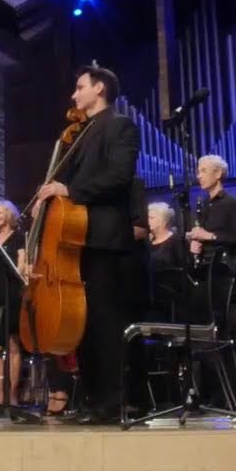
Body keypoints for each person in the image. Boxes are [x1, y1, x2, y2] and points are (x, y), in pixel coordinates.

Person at [34, 65, 140, 424]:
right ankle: (93, 401)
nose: (73, 94)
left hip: (105, 239)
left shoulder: (120, 125)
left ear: (99, 88)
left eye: (79, 87)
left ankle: (111, 403)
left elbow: (118, 176)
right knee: (85, 323)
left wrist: (70, 190)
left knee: (104, 322)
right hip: (79, 239)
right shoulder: (80, 133)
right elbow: (64, 181)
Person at [186, 155, 236, 277]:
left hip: (228, 268)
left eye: (203, 171)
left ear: (218, 174)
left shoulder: (234, 203)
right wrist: (194, 243)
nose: (199, 176)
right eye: (198, 172)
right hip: (207, 267)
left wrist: (209, 235)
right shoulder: (203, 205)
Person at [0, 200, 25, 408]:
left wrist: (18, 272)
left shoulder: (18, 237)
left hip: (12, 294)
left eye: (0, 212)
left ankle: (12, 393)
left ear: (10, 215)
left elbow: (21, 264)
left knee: (12, 343)